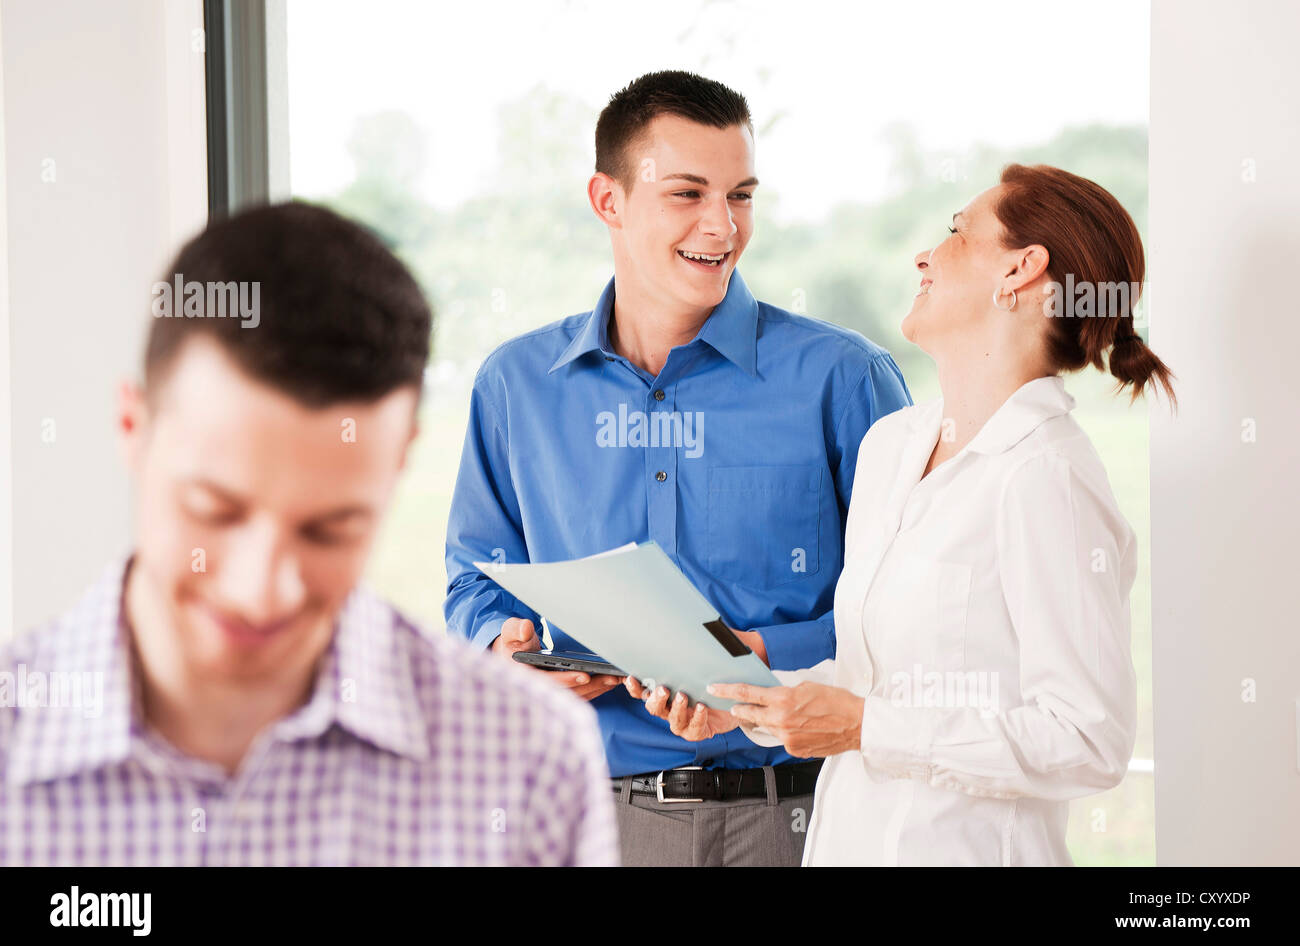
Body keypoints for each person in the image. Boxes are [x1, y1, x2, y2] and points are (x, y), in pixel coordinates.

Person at [0, 202, 617, 866]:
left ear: (399, 459)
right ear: (133, 427)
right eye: (216, 510)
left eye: (330, 531)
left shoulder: (532, 760)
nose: (261, 590)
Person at [631, 163, 1174, 866]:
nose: (926, 254)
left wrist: (867, 728)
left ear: (1022, 269)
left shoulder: (1047, 478)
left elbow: (1087, 742)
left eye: (957, 233)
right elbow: (873, 682)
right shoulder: (893, 447)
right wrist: (746, 702)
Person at [443, 70, 912, 866]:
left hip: (799, 819)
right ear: (608, 200)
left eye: (741, 195)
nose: (722, 226)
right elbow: (473, 580)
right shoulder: (515, 387)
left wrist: (766, 659)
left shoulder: (844, 380)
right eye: (688, 194)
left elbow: (911, 613)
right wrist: (504, 650)